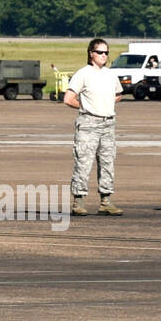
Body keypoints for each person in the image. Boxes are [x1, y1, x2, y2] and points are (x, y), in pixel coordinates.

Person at [63, 38, 124, 216]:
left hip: (108, 124)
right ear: (91, 54)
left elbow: (118, 95)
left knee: (107, 162)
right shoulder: (83, 73)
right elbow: (68, 98)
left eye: (106, 52)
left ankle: (106, 200)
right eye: (100, 52)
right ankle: (78, 201)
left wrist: (105, 104)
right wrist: (87, 107)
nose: (104, 55)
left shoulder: (111, 74)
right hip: (89, 123)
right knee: (83, 162)